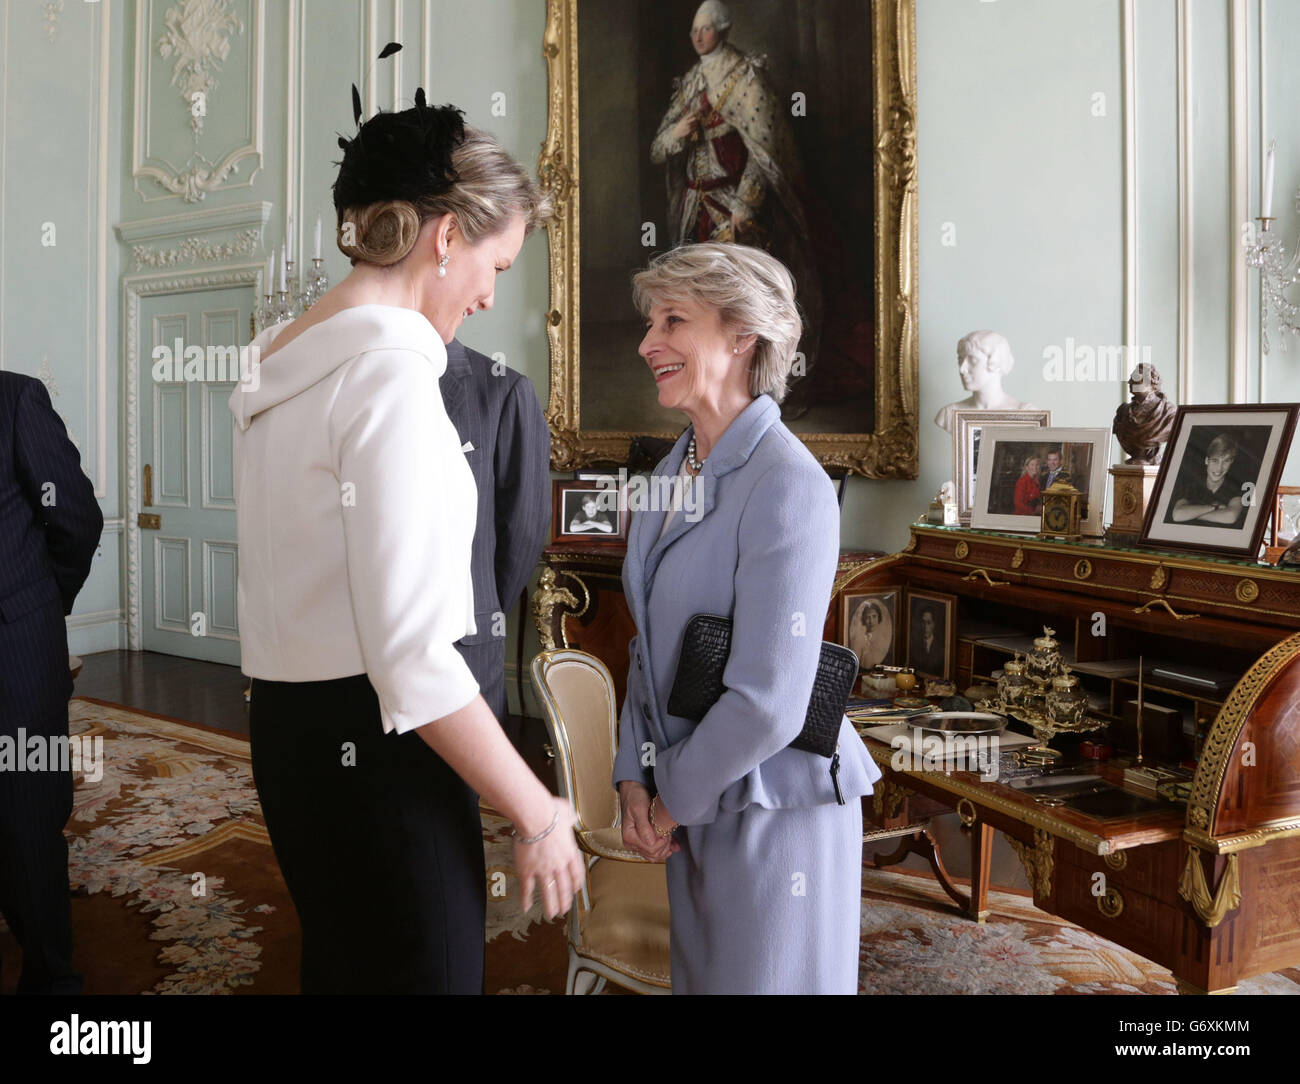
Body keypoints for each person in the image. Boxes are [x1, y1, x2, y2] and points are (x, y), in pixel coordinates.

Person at [229, 92, 583, 994]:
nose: (490, 293)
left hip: (290, 736)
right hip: (385, 759)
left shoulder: (283, 365)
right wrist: (536, 810)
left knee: (345, 967)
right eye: (494, 262)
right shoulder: (390, 385)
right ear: (445, 237)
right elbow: (416, 665)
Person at [612, 242, 881, 994]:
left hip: (774, 813)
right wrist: (634, 776)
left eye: (673, 320)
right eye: (650, 321)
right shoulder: (673, 469)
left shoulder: (788, 484)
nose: (647, 342)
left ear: (742, 337)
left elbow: (768, 701)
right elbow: (645, 647)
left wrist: (667, 803)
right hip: (696, 795)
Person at [0, 372, 103, 993]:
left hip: (13, 648)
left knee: (25, 818)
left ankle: (50, 982)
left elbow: (76, 519)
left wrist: (38, 604)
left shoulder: (15, 400)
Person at [439, 337, 551, 727]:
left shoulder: (503, 389)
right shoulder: (365, 375)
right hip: (366, 656)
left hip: (466, 644)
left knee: (458, 786)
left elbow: (524, 528)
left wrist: (483, 602)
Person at [934, 330, 1036, 435]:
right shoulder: (949, 414)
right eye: (960, 360)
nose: (962, 369)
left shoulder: (1026, 415)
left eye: (973, 360)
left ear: (996, 363)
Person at [1167, 433, 1248, 528]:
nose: (1219, 468)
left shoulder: (1237, 487)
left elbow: (1231, 516)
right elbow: (1178, 515)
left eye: (1226, 461)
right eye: (1215, 461)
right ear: (1206, 461)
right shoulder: (1192, 485)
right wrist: (1215, 507)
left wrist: (1192, 514)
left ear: (1231, 463)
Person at [847, 599, 891, 670]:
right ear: (864, 620)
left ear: (878, 617)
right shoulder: (859, 640)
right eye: (868, 617)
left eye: (874, 616)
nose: (871, 621)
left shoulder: (883, 639)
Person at [910, 607, 945, 677]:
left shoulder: (941, 646)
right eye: (923, 622)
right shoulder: (914, 644)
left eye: (928, 623)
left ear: (934, 624)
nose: (925, 627)